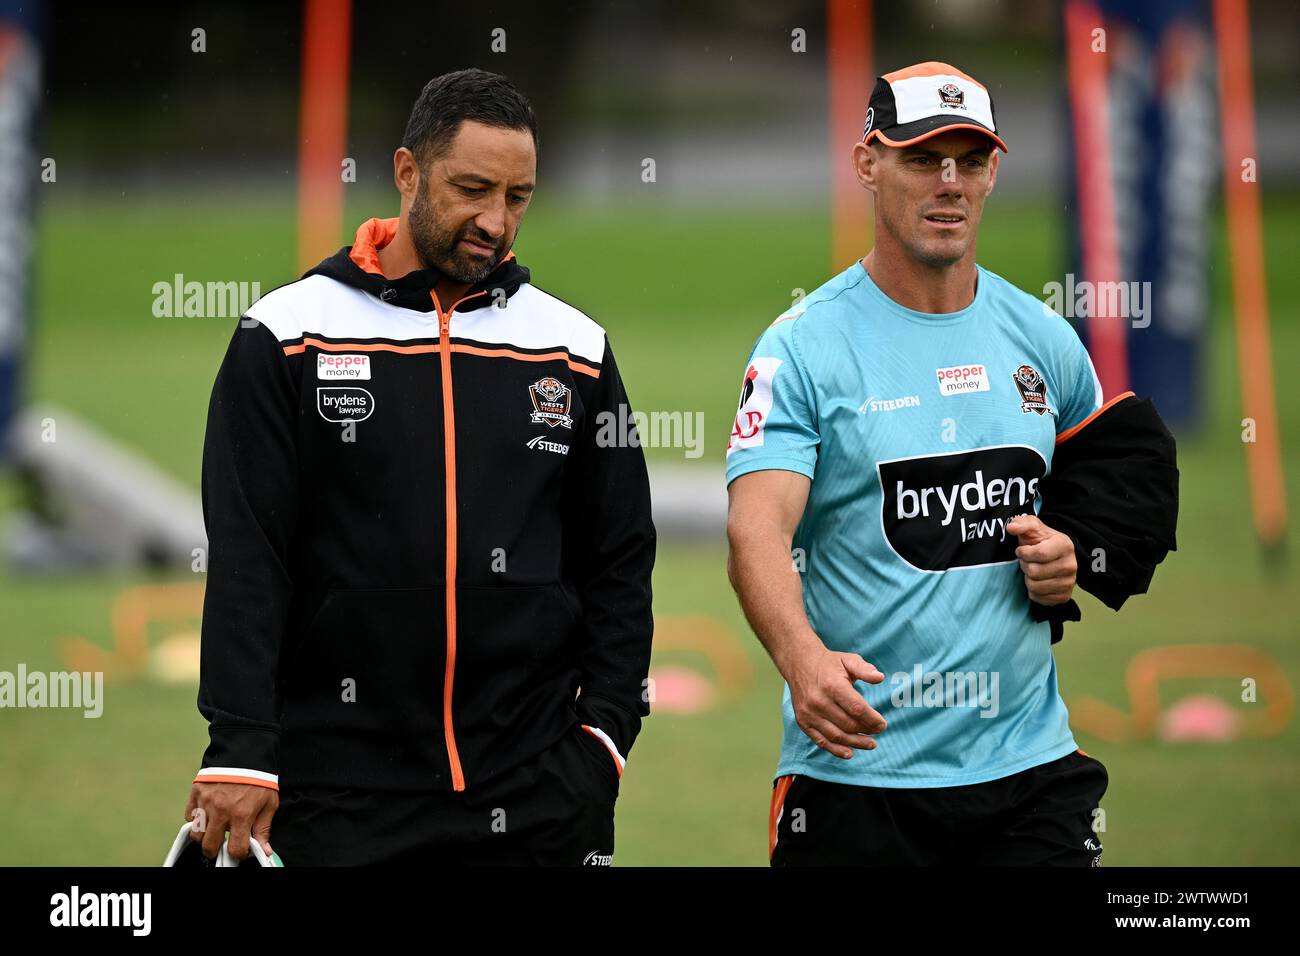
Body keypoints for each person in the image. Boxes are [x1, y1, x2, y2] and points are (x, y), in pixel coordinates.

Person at [186, 68, 656, 866]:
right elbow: (246, 560)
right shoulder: (287, 334)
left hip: (538, 792)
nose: (495, 221)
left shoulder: (573, 348)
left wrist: (604, 739)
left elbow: (619, 557)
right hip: (337, 796)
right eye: (472, 188)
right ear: (407, 172)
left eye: (518, 197)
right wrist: (240, 745)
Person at [726, 61, 1173, 866]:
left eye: (970, 161)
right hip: (857, 779)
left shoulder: (1043, 340)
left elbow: (1104, 503)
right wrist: (801, 659)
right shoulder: (801, 347)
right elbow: (755, 529)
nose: (949, 183)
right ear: (868, 163)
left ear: (993, 173)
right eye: (922, 158)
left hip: (1030, 773)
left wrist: (1073, 557)